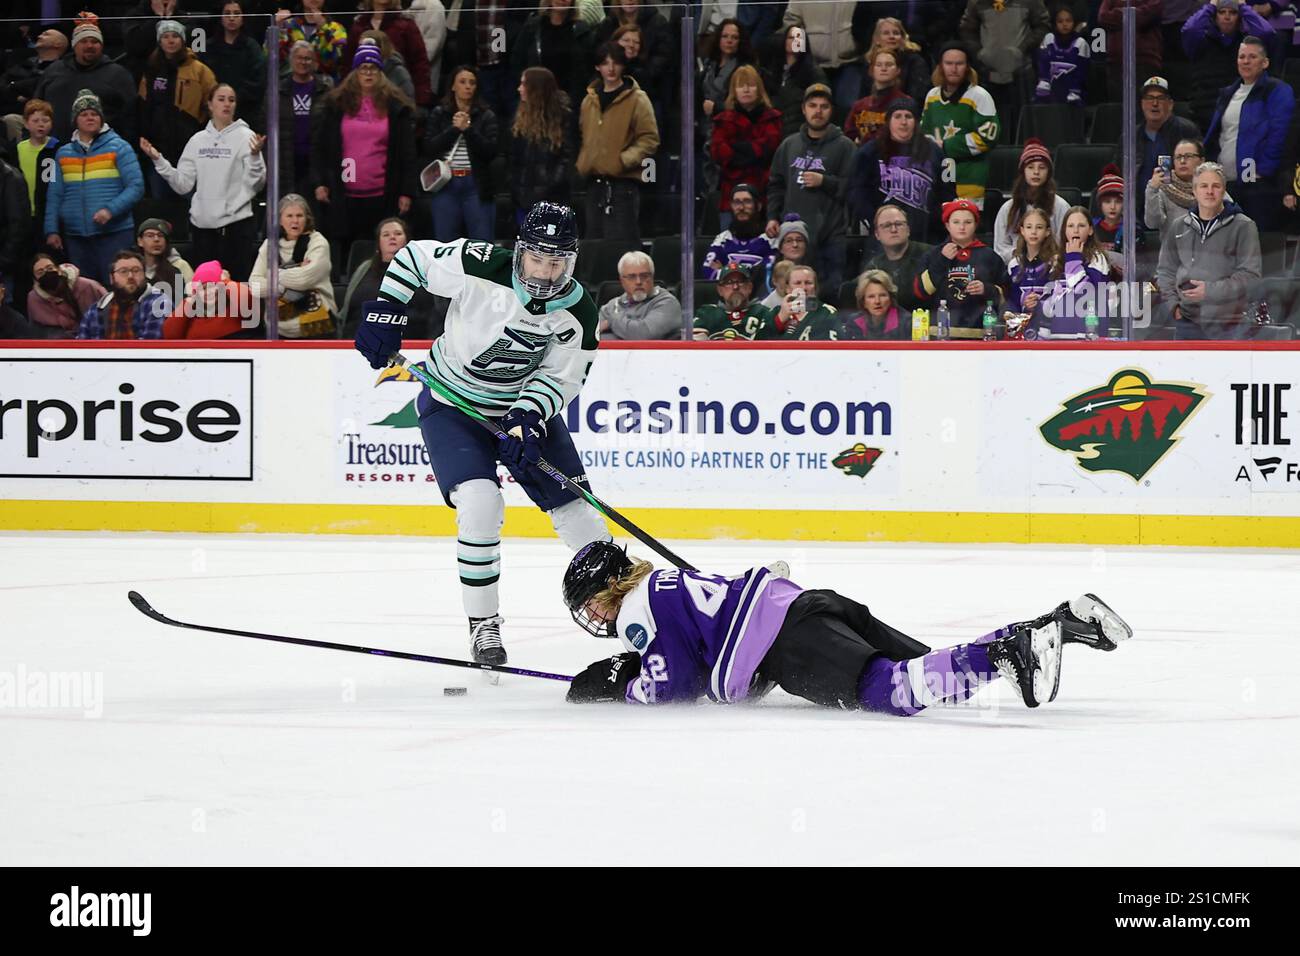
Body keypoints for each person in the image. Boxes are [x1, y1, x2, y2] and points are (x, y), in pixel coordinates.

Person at [353, 201, 610, 666]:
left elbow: (562, 376)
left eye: (558, 261)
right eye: (538, 258)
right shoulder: (480, 263)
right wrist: (387, 309)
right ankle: (483, 626)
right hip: (452, 405)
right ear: (520, 252)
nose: (546, 272)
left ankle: (634, 606)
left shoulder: (578, 312)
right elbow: (413, 258)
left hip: (520, 414)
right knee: (479, 502)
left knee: (581, 516)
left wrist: (528, 416)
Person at [560, 541, 1133, 711]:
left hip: (789, 641)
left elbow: (677, 684)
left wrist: (622, 684)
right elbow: (722, 657)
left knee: (896, 692)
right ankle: (1057, 623)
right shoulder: (664, 584)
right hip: (811, 606)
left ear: (610, 589)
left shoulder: (637, 613)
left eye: (593, 604)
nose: (596, 617)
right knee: (933, 671)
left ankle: (1009, 653)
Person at [141, 84, 266, 281]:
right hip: (203, 230)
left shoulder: (246, 137)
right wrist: (159, 160)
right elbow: (183, 184)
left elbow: (256, 183)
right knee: (204, 293)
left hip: (236, 227)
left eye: (231, 100)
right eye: (221, 99)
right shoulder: (197, 140)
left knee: (234, 291)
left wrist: (255, 156)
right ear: (210, 104)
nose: (226, 104)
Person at [314, 45, 418, 249]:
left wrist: (407, 191)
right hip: (344, 190)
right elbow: (320, 147)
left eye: (373, 68)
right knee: (345, 248)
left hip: (383, 193)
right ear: (355, 72)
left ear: (381, 73)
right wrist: (319, 182)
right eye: (363, 68)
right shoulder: (336, 104)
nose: (368, 73)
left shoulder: (395, 106)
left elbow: (407, 153)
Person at [44, 90, 145, 287]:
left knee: (118, 289)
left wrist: (110, 210)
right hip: (76, 238)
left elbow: (136, 186)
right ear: (75, 120)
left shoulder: (120, 147)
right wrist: (51, 230)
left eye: (94, 114)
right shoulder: (62, 154)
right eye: (84, 114)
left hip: (114, 234)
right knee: (84, 293)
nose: (90, 117)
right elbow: (54, 194)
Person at [766, 82, 856, 295]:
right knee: (792, 294)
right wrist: (771, 216)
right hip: (795, 240)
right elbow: (775, 185)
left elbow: (855, 188)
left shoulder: (845, 146)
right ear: (804, 109)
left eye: (824, 106)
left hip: (831, 237)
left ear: (831, 111)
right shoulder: (789, 145)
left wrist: (824, 181)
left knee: (829, 294)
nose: (818, 111)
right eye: (813, 105)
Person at [1156, 160, 1262, 338]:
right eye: (1204, 186)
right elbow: (1165, 271)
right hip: (1186, 323)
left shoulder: (1244, 226)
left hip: (1229, 325)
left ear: (1224, 190)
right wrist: (1173, 306)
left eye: (1216, 186)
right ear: (1195, 191)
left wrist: (1210, 291)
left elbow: (1251, 277)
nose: (1210, 191)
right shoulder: (1179, 226)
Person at [1204, 34, 1295, 232]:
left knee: (1257, 245)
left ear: (1265, 62)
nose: (1246, 61)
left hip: (1257, 186)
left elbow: (1280, 135)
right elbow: (1218, 137)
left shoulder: (1277, 91)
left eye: (1252, 57)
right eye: (1242, 56)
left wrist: (1261, 170)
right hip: (1226, 185)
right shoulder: (1228, 93)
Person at [575, 44, 660, 243]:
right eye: (605, 63)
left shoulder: (637, 99)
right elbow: (583, 135)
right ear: (597, 67)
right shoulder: (589, 101)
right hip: (594, 183)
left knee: (622, 244)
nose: (611, 68)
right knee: (594, 245)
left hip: (623, 184)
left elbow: (649, 138)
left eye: (616, 63)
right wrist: (583, 162)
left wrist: (622, 160)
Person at [847, 97, 953, 245]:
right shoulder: (868, 152)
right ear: (888, 121)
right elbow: (856, 192)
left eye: (908, 116)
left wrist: (935, 222)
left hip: (927, 236)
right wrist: (875, 221)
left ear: (916, 122)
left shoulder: (935, 152)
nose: (903, 122)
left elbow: (948, 194)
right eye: (897, 116)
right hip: (882, 237)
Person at [136, 19, 218, 199]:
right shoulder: (151, 69)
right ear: (159, 41)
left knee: (191, 201)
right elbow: (143, 105)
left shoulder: (199, 70)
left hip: (189, 148)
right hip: (158, 149)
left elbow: (214, 105)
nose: (170, 40)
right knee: (161, 202)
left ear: (182, 40)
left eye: (175, 36)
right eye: (165, 36)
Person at [921, 42, 1000, 209]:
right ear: (940, 66)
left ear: (967, 67)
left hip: (970, 177)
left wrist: (947, 145)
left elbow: (988, 137)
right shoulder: (932, 96)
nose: (954, 68)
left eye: (959, 63)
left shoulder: (979, 96)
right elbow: (923, 131)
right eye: (949, 63)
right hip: (938, 177)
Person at [35, 16, 139, 145]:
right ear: (74, 45)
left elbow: (131, 116)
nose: (89, 45)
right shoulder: (54, 71)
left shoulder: (118, 74)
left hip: (103, 151)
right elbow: (36, 108)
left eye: (95, 41)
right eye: (84, 41)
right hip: (55, 148)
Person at [424, 64, 498, 243]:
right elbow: (429, 148)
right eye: (463, 82)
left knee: (481, 244)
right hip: (445, 184)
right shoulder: (439, 113)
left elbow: (490, 151)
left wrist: (468, 129)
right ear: (453, 86)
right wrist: (454, 129)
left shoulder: (486, 115)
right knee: (445, 243)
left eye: (472, 83)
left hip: (475, 184)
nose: (468, 86)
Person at [912, 198, 1009, 331]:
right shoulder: (933, 255)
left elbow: (1007, 298)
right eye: (956, 222)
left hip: (981, 333)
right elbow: (920, 292)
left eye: (968, 222)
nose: (962, 227)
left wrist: (987, 289)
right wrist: (941, 260)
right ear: (947, 225)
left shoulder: (991, 257)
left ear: (976, 224)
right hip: (940, 333)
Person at [249, 193, 337, 338]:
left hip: (317, 325)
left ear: (307, 218)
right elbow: (255, 287)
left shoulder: (318, 243)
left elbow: (303, 280)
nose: (295, 221)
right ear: (280, 220)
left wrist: (272, 276)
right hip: (277, 328)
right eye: (289, 216)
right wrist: (290, 276)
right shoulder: (269, 244)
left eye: (299, 215)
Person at [341, 217, 440, 339]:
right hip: (358, 339)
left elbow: (428, 311)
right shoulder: (364, 269)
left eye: (398, 234)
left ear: (407, 241)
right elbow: (349, 308)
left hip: (408, 338)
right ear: (378, 243)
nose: (392, 237)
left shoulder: (419, 269)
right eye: (386, 234)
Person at [1183, 0, 1275, 131]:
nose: (1227, 16)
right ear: (1215, 16)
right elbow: (1190, 29)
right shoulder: (1200, 43)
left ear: (1240, 17)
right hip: (1204, 113)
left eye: (1233, 12)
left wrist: (1243, 6)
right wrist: (1211, 6)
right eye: (1221, 12)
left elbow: (1266, 32)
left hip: (1240, 114)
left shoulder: (1247, 45)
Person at [709, 66, 782, 228]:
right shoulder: (723, 120)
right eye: (741, 86)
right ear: (734, 90)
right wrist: (754, 152)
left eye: (751, 85)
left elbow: (771, 148)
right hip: (731, 195)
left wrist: (736, 148)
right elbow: (720, 153)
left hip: (764, 193)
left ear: (759, 89)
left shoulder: (772, 118)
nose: (746, 89)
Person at [507, 68, 577, 229]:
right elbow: (513, 161)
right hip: (522, 201)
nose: (519, 88)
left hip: (553, 202)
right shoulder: (519, 120)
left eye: (524, 84)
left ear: (536, 88)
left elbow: (566, 161)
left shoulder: (563, 118)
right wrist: (518, 191)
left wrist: (545, 191)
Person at [1127, 76, 1202, 221]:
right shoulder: (1130, 136)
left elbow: (1199, 170)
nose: (1154, 103)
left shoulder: (1186, 131)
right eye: (1149, 98)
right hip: (1137, 211)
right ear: (1142, 104)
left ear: (1171, 104)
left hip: (1178, 210)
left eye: (1160, 98)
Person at [1037, 205, 1113, 336]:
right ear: (1064, 230)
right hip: (1058, 334)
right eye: (1070, 226)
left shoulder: (1098, 258)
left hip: (1089, 334)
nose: (1075, 231)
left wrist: (1073, 259)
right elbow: (1051, 297)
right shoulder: (1056, 259)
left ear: (1090, 230)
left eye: (1081, 226)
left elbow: (1084, 292)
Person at [344, 0, 434, 108]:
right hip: (362, 99)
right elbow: (348, 65)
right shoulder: (359, 26)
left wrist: (421, 101)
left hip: (398, 97)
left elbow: (420, 64)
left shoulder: (406, 25)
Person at [993, 138, 1070, 263]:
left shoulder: (1061, 205)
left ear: (1048, 172)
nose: (1036, 172)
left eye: (1042, 168)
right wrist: (1021, 254)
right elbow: (1000, 248)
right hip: (1017, 266)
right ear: (1023, 171)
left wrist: (1046, 255)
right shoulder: (1008, 208)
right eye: (1030, 167)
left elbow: (1066, 243)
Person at [512, 0, 594, 109]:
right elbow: (517, 61)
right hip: (536, 101)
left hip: (570, 103)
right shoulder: (532, 27)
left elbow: (587, 68)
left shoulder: (581, 30)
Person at [278, 42, 334, 199]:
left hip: (316, 162)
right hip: (287, 163)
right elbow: (265, 124)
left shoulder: (325, 90)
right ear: (291, 60)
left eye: (308, 59)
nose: (303, 62)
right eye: (299, 58)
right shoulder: (278, 90)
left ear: (314, 62)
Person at [199, 2, 266, 129]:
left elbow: (258, 81)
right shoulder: (208, 47)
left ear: (243, 18)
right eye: (227, 13)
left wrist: (232, 100)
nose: (231, 18)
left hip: (245, 114)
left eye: (236, 14)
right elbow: (202, 79)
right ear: (221, 18)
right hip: (213, 115)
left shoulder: (252, 47)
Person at [77, 249, 170, 339]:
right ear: (111, 278)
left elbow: (151, 348)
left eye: (136, 270)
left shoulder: (158, 303)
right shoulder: (97, 309)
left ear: (144, 275)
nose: (130, 276)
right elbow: (81, 347)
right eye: (123, 271)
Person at [760, 24, 828, 139]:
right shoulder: (772, 71)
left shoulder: (813, 72)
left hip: (799, 131)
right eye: (791, 37)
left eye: (799, 38)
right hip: (772, 130)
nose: (795, 41)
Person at [860, 203, 931, 311]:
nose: (893, 229)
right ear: (877, 234)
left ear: (908, 230)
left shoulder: (930, 255)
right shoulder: (874, 266)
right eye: (886, 225)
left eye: (899, 224)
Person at [702, 183, 778, 282]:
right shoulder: (722, 238)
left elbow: (770, 274)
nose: (741, 208)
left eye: (747, 201)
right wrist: (752, 272)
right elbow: (708, 271)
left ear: (758, 206)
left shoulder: (771, 238)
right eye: (736, 202)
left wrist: (724, 271)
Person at [1146, 139, 1228, 232]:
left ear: (1202, 161)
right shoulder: (1162, 188)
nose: (1182, 161)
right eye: (1178, 157)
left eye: (1188, 156)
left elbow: (1229, 217)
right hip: (1174, 245)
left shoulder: (1212, 186)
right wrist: (1152, 190)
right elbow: (1152, 224)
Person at [598, 250, 682, 340]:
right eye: (631, 277)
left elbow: (643, 334)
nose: (638, 282)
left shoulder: (668, 303)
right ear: (622, 280)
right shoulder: (611, 306)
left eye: (644, 276)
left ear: (652, 277)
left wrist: (611, 322)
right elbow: (595, 338)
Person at [1097, 1, 1164, 102]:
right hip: (1116, 63)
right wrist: (1133, 13)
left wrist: (1116, 13)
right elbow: (1103, 17)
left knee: (1145, 108)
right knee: (1118, 109)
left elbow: (1147, 16)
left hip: (1145, 62)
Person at [27, 253, 105, 338]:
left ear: (59, 270)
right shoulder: (33, 299)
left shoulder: (87, 286)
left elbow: (108, 308)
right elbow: (35, 332)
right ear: (35, 279)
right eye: (40, 272)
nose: (46, 273)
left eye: (50, 268)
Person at [845, 48, 911, 146]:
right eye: (879, 65)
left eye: (889, 65)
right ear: (871, 70)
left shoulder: (906, 103)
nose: (883, 68)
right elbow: (848, 136)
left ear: (898, 70)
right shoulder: (859, 106)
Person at [693, 262, 774, 340]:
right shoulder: (706, 314)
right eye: (729, 282)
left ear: (750, 287)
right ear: (720, 290)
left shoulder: (764, 313)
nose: (735, 287)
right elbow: (694, 348)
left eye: (740, 281)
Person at [276, 0, 350, 83]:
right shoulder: (287, 25)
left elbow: (337, 59)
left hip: (325, 86)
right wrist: (278, 28)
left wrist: (324, 28)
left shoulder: (336, 28)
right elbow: (272, 57)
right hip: (290, 85)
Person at [863, 17, 932, 105]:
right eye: (886, 33)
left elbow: (918, 97)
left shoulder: (915, 61)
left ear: (903, 38)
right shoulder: (869, 62)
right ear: (877, 39)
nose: (891, 37)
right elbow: (864, 96)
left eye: (896, 33)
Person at [1006, 205, 1058, 317]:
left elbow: (1059, 297)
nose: (1033, 232)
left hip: (1048, 324)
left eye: (1039, 227)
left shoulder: (1055, 262)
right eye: (1029, 227)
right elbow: (1012, 300)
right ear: (1022, 231)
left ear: (1047, 232)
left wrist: (1040, 303)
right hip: (1020, 323)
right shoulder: (1014, 264)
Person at [1034, 3, 1089, 105]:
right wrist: (1044, 80)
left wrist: (1075, 91)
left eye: (1068, 21)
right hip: (1051, 90)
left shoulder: (1080, 43)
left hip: (1073, 93)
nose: (1064, 24)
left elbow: (1082, 72)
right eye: (1060, 21)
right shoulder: (1049, 38)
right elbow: (1042, 62)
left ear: (1074, 22)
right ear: (1055, 23)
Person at [770, 264, 841, 340]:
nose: (803, 288)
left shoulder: (827, 312)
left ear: (815, 287)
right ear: (787, 288)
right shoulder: (775, 313)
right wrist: (780, 320)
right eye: (797, 283)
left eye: (808, 283)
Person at [134, 216, 193, 305]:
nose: (156, 239)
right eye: (150, 235)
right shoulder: (133, 270)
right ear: (140, 241)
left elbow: (183, 304)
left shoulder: (176, 269)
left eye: (161, 235)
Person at [842, 269, 905, 340]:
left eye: (882, 295)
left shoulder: (906, 323)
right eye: (871, 296)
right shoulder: (853, 322)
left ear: (890, 298)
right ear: (863, 301)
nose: (877, 301)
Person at [0, 157, 31, 299]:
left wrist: (4, 260)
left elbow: (18, 224)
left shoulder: (11, 177)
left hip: (4, 264)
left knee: (5, 314)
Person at [1093, 165, 1127, 253]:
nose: (1113, 206)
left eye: (1118, 202)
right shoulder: (1091, 227)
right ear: (1100, 204)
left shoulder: (1131, 230)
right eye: (1107, 202)